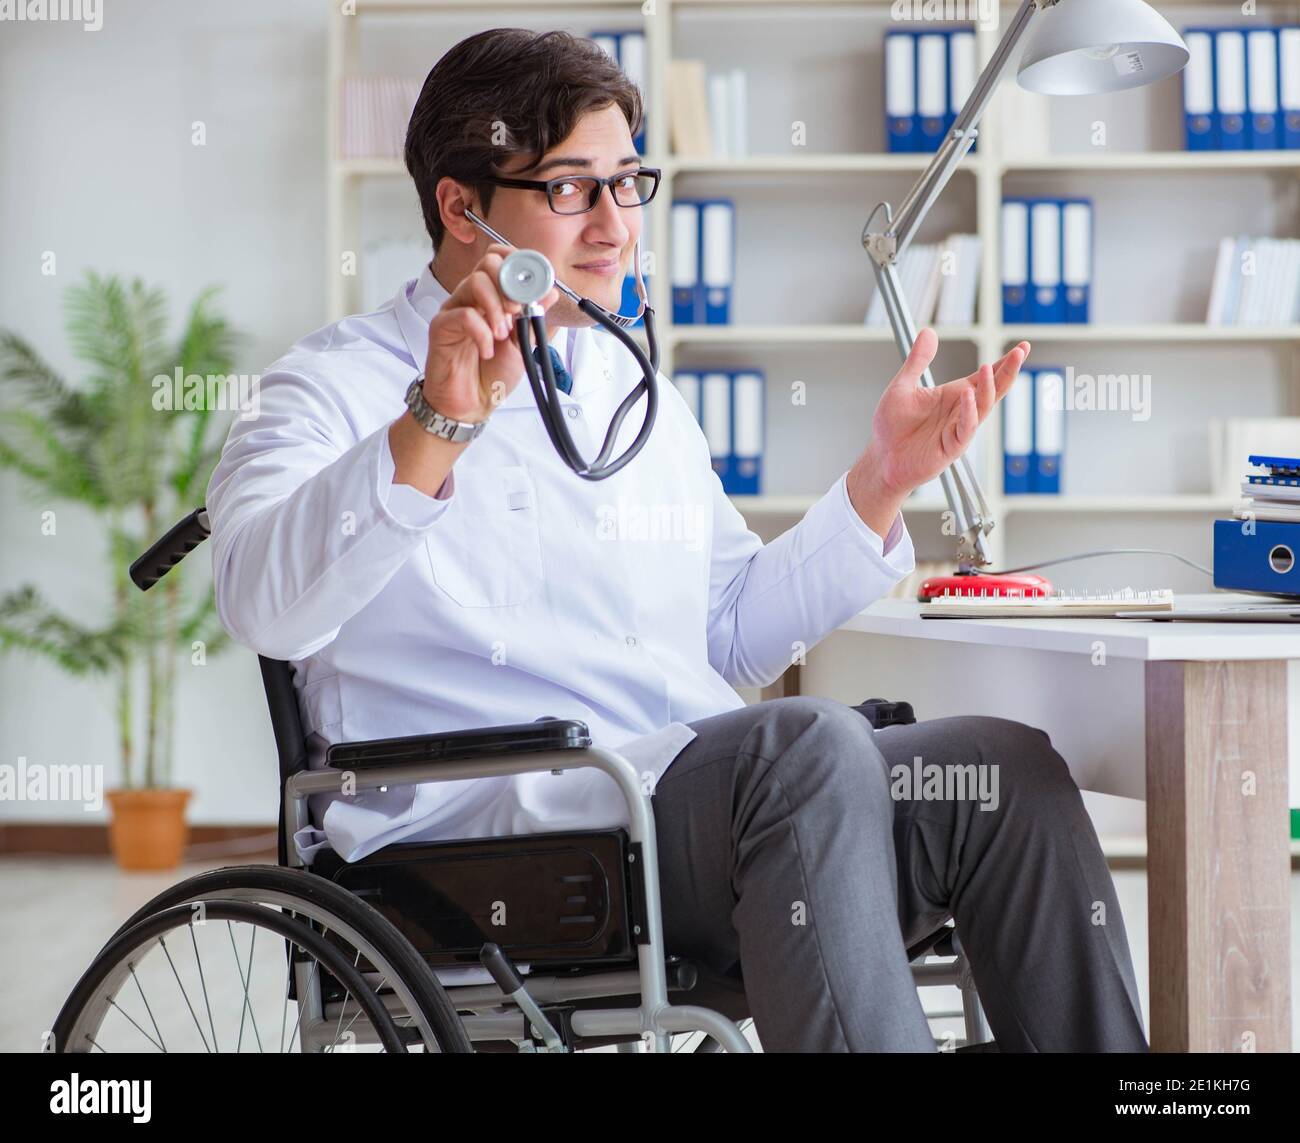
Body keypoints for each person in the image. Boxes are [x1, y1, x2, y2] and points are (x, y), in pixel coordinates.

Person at [206, 26, 1147, 1052]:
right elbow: (262, 601)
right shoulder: (330, 385)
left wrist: (882, 482)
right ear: (460, 204)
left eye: (627, 184)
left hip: (684, 814)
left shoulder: (629, 390)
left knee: (1002, 772)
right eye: (571, 189)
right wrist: (432, 427)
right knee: (808, 746)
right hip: (492, 844)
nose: (615, 225)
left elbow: (730, 632)